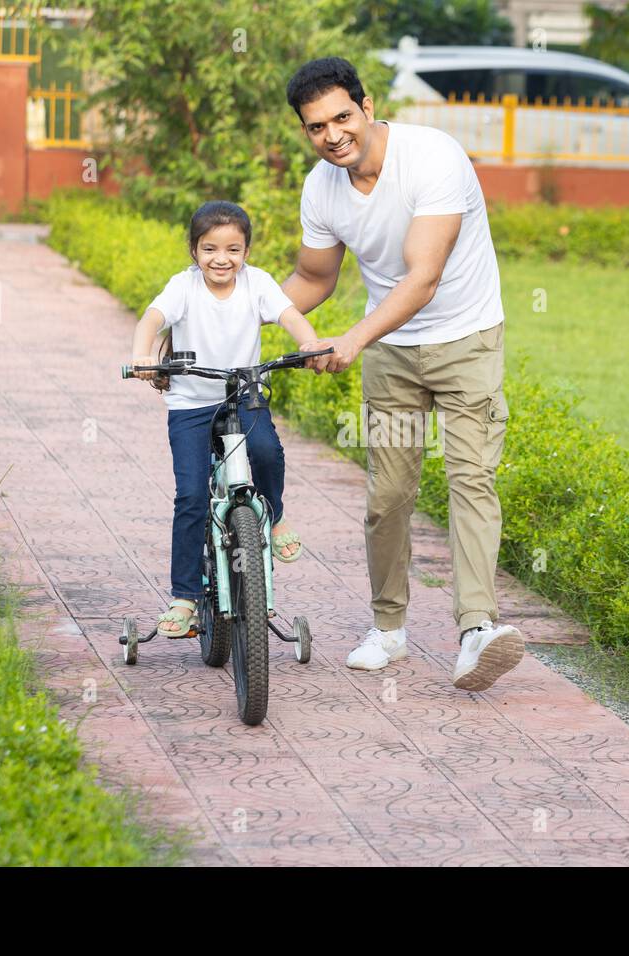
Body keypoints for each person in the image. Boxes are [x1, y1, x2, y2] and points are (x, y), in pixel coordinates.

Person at [283, 57, 524, 692]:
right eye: (316, 127)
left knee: (471, 478)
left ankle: (477, 630)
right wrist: (234, 315)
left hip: (466, 339)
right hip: (393, 354)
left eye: (342, 117)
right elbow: (314, 278)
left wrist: (353, 338)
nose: (333, 135)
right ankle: (388, 629)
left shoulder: (433, 157)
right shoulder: (321, 189)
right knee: (388, 496)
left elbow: (423, 277)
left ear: (366, 105)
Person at [131, 200, 320, 637]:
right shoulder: (184, 286)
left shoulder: (259, 284)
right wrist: (143, 354)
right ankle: (184, 598)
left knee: (267, 451)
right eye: (210, 248)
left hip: (242, 394)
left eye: (233, 249)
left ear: (247, 251)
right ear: (195, 251)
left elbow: (289, 314)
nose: (222, 258)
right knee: (192, 496)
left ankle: (272, 516)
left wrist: (308, 343)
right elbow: (153, 318)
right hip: (191, 403)